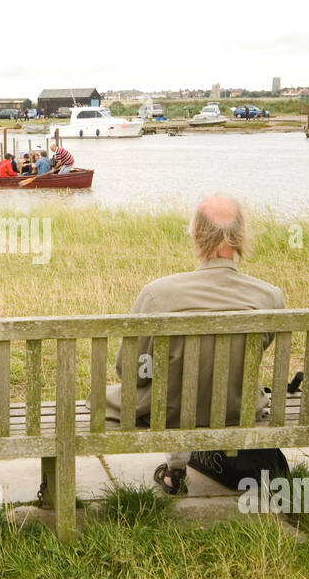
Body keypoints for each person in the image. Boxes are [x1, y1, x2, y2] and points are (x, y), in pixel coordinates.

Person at [104, 194, 288, 495]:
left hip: (169, 412)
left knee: (125, 396)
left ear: (195, 234)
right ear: (241, 235)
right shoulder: (269, 297)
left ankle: (174, 470)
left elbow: (130, 370)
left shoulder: (157, 295)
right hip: (237, 408)